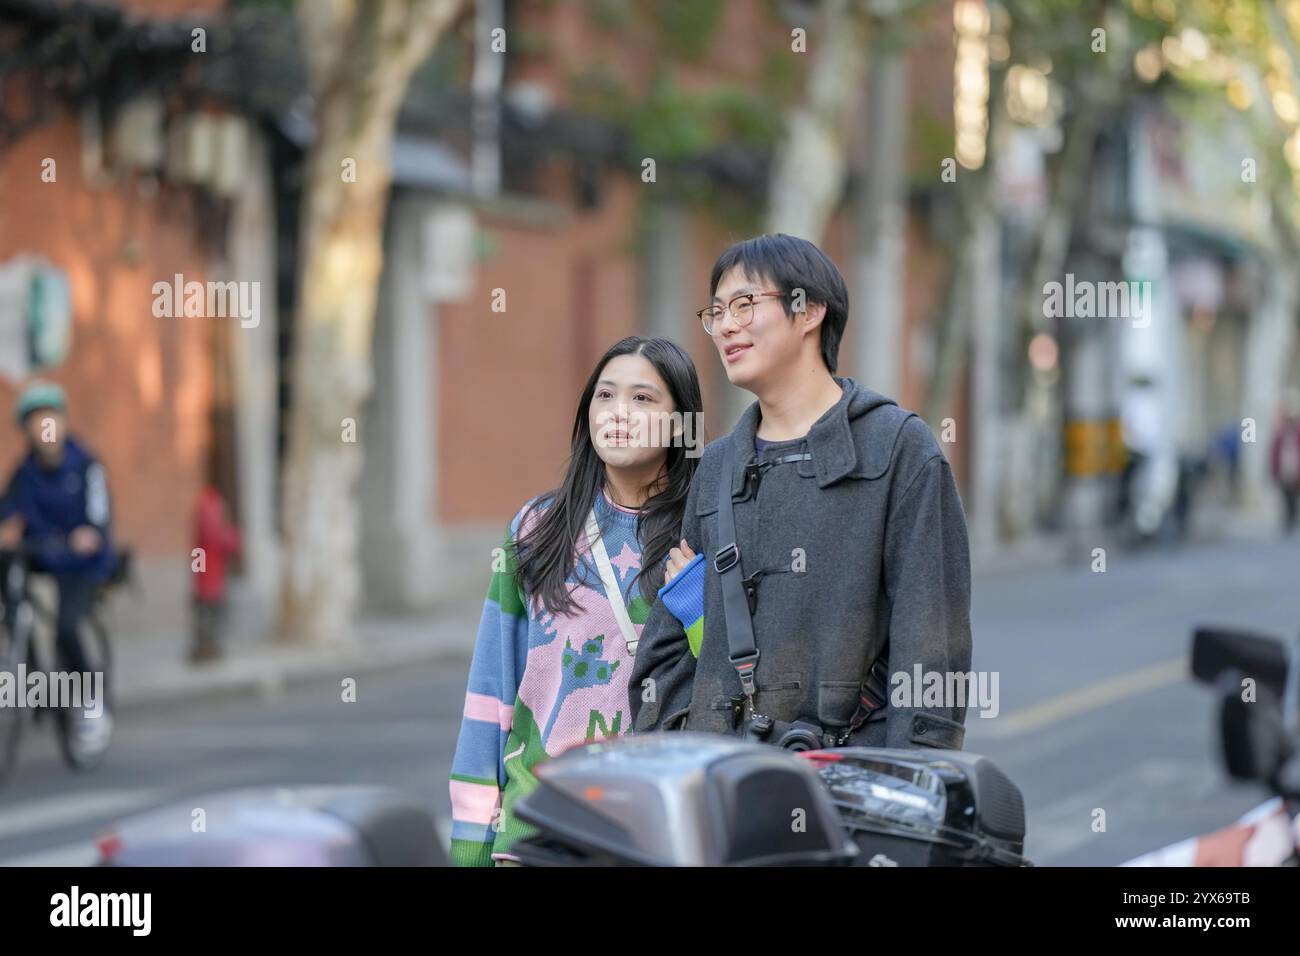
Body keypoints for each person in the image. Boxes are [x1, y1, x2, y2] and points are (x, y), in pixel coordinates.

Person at [631, 233, 972, 751]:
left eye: (745, 304)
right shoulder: (720, 466)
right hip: (722, 790)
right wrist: (687, 744)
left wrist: (904, 784)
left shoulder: (897, 450)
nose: (724, 325)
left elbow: (932, 650)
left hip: (847, 789)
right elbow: (667, 650)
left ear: (809, 310)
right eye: (716, 311)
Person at [448, 336, 703, 866]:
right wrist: (471, 842)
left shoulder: (705, 533)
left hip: (660, 830)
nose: (618, 414)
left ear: (681, 424)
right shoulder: (536, 529)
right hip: (536, 827)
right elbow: (491, 690)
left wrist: (698, 610)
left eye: (643, 399)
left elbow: (735, 683)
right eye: (605, 396)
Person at [0, 380, 116, 748]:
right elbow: (8, 513)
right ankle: (28, 668)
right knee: (11, 589)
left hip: (81, 564)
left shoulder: (86, 465)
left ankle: (90, 703)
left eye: (50, 419)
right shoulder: (24, 473)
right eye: (36, 422)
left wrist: (90, 532)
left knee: (67, 627)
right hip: (41, 556)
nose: (45, 429)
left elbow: (99, 515)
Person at [1270, 389, 1300, 535]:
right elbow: (1274, 453)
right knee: (1286, 496)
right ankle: (1288, 520)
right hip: (1284, 470)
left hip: (1296, 470)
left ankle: (1293, 518)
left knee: (1294, 496)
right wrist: (1274, 470)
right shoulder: (1280, 434)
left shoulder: (1298, 433)